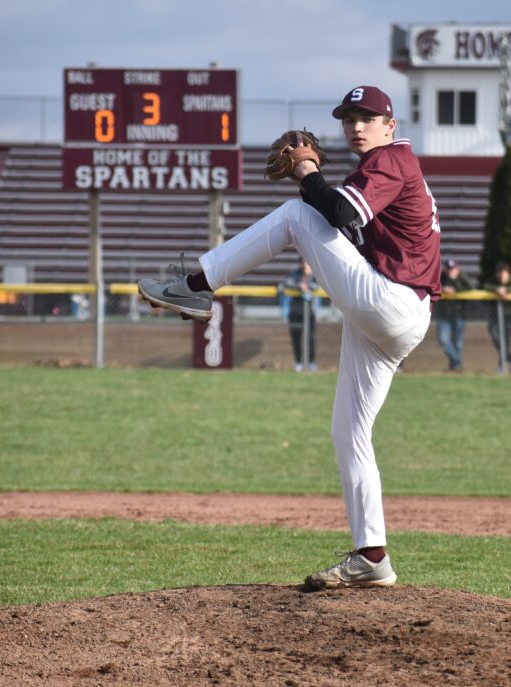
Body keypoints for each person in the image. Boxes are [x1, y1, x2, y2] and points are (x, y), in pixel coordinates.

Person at [137, 86, 440, 590]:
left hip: (393, 300)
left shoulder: (392, 159)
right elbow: (338, 214)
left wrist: (307, 173)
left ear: (390, 124)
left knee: (296, 217)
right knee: (349, 433)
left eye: (367, 117)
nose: (356, 126)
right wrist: (312, 181)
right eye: (348, 118)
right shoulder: (378, 169)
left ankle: (194, 286)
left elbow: (338, 214)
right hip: (392, 312)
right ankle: (373, 557)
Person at [482, 261, 511, 374]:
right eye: (500, 273)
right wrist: (497, 290)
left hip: (508, 316)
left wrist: (507, 291)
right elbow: (485, 286)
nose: (503, 276)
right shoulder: (492, 281)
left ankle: (501, 367)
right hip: (494, 316)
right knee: (496, 338)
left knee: (506, 342)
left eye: (505, 274)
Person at [280, 260, 319, 372]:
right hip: (296, 311)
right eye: (303, 262)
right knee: (296, 337)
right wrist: (299, 286)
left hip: (309, 312)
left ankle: (310, 362)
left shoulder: (314, 275)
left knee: (310, 338)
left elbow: (318, 286)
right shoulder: (294, 274)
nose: (305, 265)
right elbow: (286, 283)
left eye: (307, 262)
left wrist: (307, 285)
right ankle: (298, 362)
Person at [435, 258, 472, 371]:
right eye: (449, 269)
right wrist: (443, 289)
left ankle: (454, 367)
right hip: (444, 315)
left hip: (459, 315)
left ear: (457, 269)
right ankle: (458, 362)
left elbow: (470, 288)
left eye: (453, 269)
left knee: (457, 343)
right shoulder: (442, 277)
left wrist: (455, 288)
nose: (451, 271)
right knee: (443, 340)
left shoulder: (462, 277)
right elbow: (434, 286)